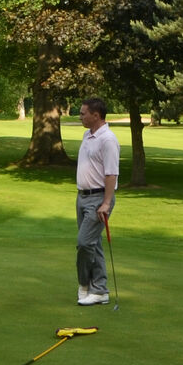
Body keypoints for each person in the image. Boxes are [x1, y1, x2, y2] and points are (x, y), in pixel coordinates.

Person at [75, 97, 119, 306]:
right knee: (94, 244)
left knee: (84, 243)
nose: (80, 117)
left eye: (83, 113)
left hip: (99, 198)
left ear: (96, 115)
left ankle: (85, 284)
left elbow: (111, 174)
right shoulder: (87, 135)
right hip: (82, 197)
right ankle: (100, 290)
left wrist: (106, 203)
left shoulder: (107, 139)